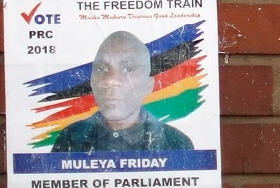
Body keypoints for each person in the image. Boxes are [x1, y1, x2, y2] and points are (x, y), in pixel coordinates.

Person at [53, 31, 194, 152]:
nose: (110, 80)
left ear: (149, 85)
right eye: (101, 69)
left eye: (129, 69)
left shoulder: (176, 144)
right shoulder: (69, 138)